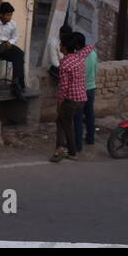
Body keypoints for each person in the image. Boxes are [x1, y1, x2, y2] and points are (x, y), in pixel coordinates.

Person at [51, 33, 95, 162]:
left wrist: (59, 103)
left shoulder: (64, 64)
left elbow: (63, 87)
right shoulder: (79, 57)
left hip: (70, 100)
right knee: (66, 122)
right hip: (81, 98)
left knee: (65, 124)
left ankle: (67, 150)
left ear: (64, 48)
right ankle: (66, 149)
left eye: (61, 45)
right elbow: (89, 47)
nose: (59, 46)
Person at [73, 31, 99, 150]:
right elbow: (96, 70)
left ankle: (78, 144)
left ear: (77, 45)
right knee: (90, 115)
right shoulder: (93, 53)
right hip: (91, 87)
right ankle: (90, 138)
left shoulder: (77, 58)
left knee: (78, 117)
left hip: (80, 90)